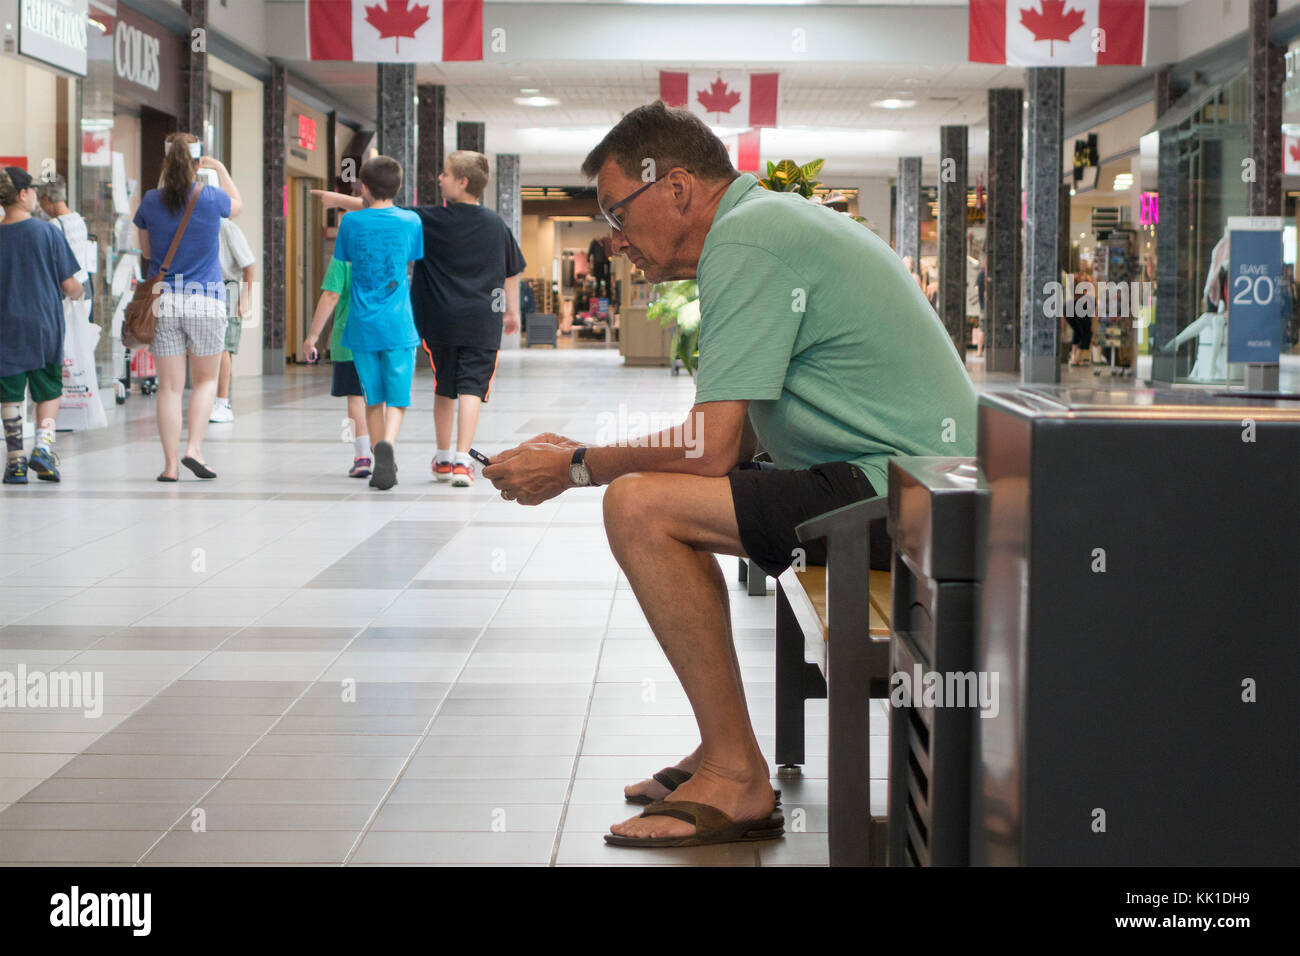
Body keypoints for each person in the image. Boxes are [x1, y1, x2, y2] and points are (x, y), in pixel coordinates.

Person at [482, 102, 977, 848]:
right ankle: (723, 750)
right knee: (660, 501)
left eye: (618, 214)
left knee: (637, 508)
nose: (614, 243)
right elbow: (735, 434)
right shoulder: (764, 226)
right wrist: (592, 456)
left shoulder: (750, 240)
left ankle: (738, 777)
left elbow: (708, 448)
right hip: (914, 489)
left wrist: (577, 465)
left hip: (908, 503)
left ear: (677, 188)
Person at [315, 151, 524, 488]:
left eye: (444, 173)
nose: (438, 178)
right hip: (483, 320)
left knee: (445, 387)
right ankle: (461, 459)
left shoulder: (428, 218)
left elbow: (381, 211)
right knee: (472, 388)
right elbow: (512, 270)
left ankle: (442, 458)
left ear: (462, 182)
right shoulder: (495, 223)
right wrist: (512, 311)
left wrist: (334, 198)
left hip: (439, 318)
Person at [132, 132, 243, 481]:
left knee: (168, 388)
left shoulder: (150, 200)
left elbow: (148, 254)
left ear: (166, 162)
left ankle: (168, 467)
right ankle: (193, 448)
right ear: (198, 162)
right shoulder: (211, 198)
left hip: (164, 301)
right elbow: (237, 205)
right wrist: (220, 167)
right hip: (206, 300)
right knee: (207, 380)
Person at [326, 155, 423, 491]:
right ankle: (388, 447)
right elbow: (410, 258)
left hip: (361, 325)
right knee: (398, 399)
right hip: (398, 325)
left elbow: (346, 260)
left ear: (363, 187)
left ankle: (378, 451)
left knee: (373, 400)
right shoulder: (411, 222)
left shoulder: (351, 224)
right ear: (398, 187)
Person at [0, 166, 84, 483]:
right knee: (47, 389)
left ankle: (15, 462)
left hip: (5, 327)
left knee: (10, 393)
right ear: (22, 194)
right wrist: (79, 293)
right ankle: (44, 448)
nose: (36, 195)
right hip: (43, 325)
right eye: (33, 190)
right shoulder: (47, 232)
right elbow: (69, 284)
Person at [302, 220, 372, 479]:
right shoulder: (385, 253)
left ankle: (363, 457)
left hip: (350, 337)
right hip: (385, 337)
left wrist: (313, 336)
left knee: (355, 397)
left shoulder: (343, 258)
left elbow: (330, 296)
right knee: (380, 397)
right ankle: (385, 449)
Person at [210, 217, 256, 423]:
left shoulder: (226, 227)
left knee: (223, 346)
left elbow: (248, 264)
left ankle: (223, 402)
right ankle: (210, 400)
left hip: (227, 286)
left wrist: (245, 297)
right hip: (202, 286)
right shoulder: (195, 221)